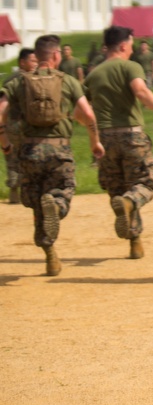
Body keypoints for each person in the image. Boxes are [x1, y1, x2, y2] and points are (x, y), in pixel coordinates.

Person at [0, 35, 104, 276]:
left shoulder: (19, 82)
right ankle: (56, 206)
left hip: (29, 151)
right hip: (59, 150)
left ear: (37, 57)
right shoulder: (67, 81)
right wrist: (95, 142)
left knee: (36, 203)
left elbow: (1, 112)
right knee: (63, 190)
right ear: (56, 56)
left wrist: (5, 144)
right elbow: (88, 115)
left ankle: (50, 254)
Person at [84, 27, 153, 259]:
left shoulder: (93, 75)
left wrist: (93, 138)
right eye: (132, 44)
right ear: (124, 45)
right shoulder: (130, 66)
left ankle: (135, 242)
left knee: (117, 190)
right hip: (131, 136)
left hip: (105, 138)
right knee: (144, 183)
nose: (133, 48)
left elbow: (83, 111)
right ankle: (130, 203)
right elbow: (141, 92)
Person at [2, 48, 37, 204]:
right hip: (27, 124)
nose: (35, 63)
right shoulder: (33, 79)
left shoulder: (9, 80)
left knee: (11, 156)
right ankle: (28, 190)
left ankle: (14, 189)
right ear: (22, 62)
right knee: (28, 156)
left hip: (11, 123)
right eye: (33, 60)